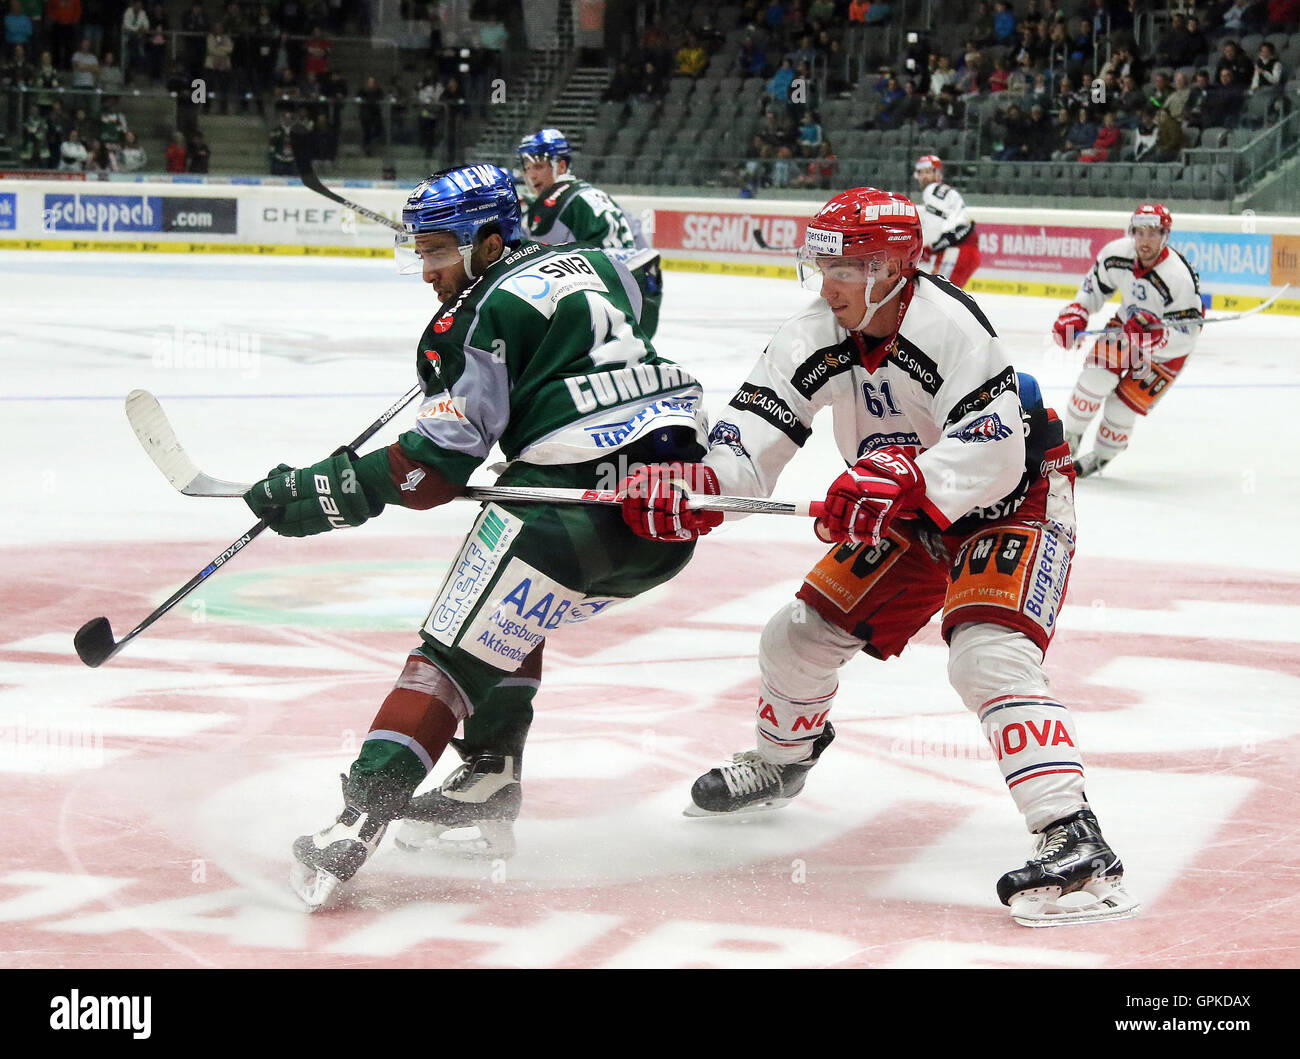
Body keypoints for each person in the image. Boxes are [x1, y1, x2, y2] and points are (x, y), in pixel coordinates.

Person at [616, 187, 1138, 928]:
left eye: (848, 267)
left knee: (987, 655)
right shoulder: (812, 333)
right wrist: (701, 487)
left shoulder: (952, 326)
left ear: (897, 266)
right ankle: (784, 758)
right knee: (796, 636)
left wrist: (907, 475)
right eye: (822, 264)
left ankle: (1073, 836)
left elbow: (996, 448)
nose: (828, 284)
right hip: (899, 504)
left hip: (1011, 498)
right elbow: (747, 446)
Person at [242, 165, 710, 909]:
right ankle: (489, 771)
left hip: (568, 515)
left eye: (439, 252)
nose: (427, 272)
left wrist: (321, 491)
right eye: (421, 252)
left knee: (444, 660)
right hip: (670, 512)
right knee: (515, 610)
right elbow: (606, 341)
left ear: (491, 241)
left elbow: (433, 472)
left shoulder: (463, 321)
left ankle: (354, 823)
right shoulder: (599, 264)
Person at [1053, 203, 1204, 477]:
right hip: (1127, 328)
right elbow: (1091, 290)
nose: (1145, 240)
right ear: (1132, 231)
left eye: (1154, 233)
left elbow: (1188, 336)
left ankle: (1100, 457)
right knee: (1094, 379)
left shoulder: (1179, 277)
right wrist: (1076, 314)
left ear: (1165, 235)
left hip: (1166, 351)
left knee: (1121, 409)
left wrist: (1156, 337)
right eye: (1140, 232)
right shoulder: (1115, 254)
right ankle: (1068, 441)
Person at [517, 127, 662, 336]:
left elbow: (538, 263)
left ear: (562, 165)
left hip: (609, 289)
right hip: (641, 282)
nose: (531, 175)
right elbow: (640, 242)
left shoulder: (552, 202)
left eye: (539, 166)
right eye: (527, 167)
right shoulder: (591, 192)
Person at [913, 154, 980, 288]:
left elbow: (935, 225)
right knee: (943, 298)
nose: (924, 176)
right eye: (921, 172)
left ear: (938, 174)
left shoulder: (931, 190)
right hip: (962, 249)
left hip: (957, 250)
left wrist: (924, 248)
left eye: (928, 172)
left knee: (939, 296)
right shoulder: (946, 191)